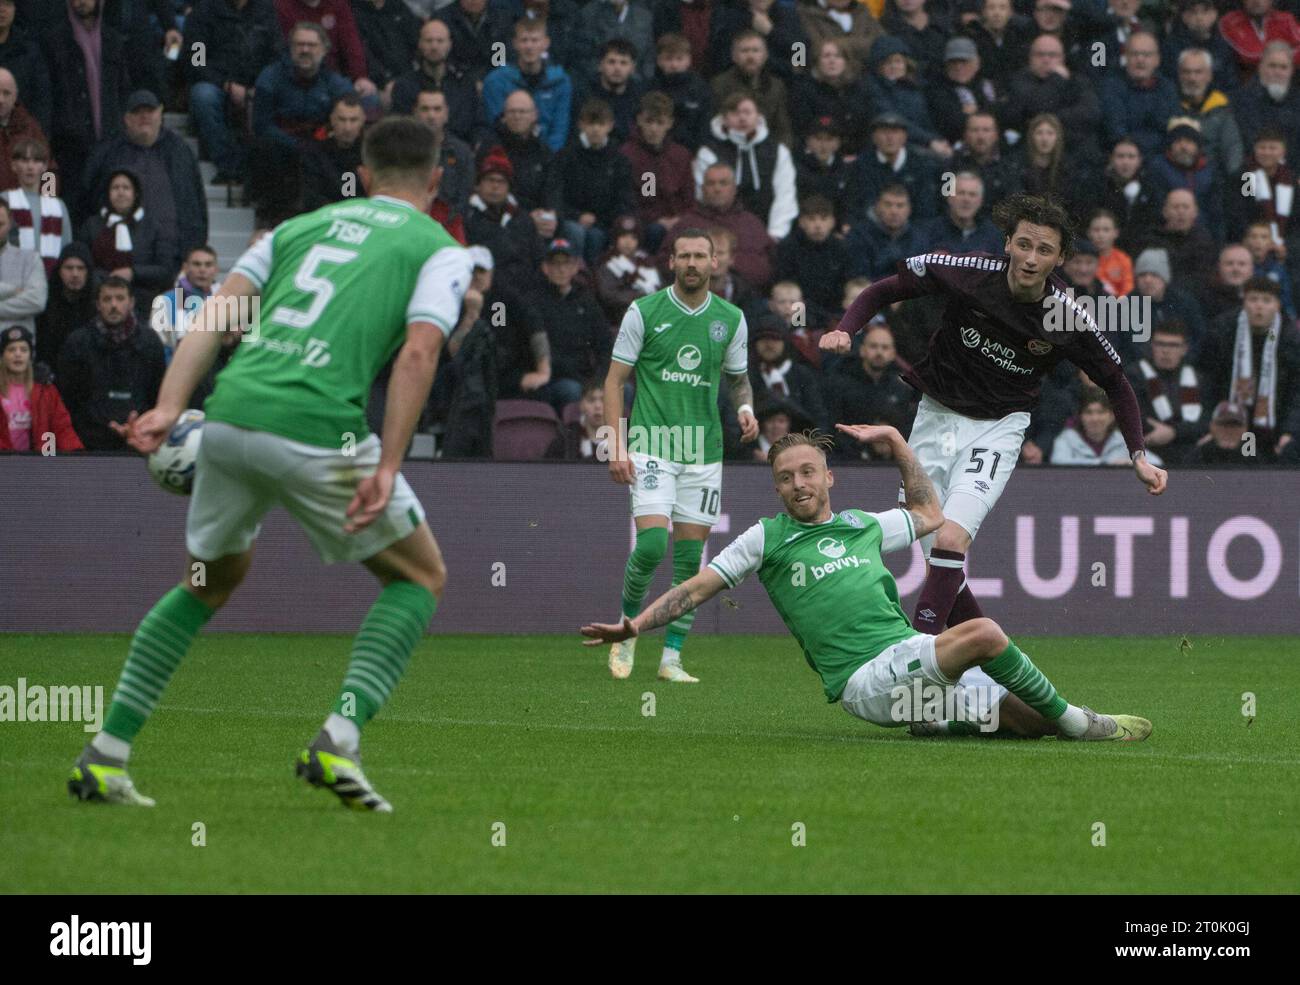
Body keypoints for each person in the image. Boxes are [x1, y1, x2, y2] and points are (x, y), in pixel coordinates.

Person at [67, 116, 472, 811]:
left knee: (207, 582)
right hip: (320, 431)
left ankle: (105, 754)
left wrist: (170, 404)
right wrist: (389, 462)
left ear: (365, 175)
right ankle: (337, 738)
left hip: (228, 416)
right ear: (436, 182)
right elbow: (418, 352)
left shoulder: (297, 228)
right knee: (419, 577)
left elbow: (218, 312)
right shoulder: (441, 248)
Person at [582, 426, 1153, 742]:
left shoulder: (861, 525)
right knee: (983, 633)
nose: (798, 483)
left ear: (827, 477)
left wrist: (900, 447)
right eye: (786, 478)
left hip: (906, 662)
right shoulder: (767, 537)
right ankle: (1085, 725)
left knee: (1030, 721)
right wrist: (634, 625)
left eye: (807, 472)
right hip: (864, 681)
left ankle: (945, 721)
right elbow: (696, 589)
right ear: (777, 490)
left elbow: (930, 515)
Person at [823, 192, 1168, 637]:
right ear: (1007, 242)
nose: (1030, 258)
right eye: (1024, 244)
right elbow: (884, 290)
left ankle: (917, 652)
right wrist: (845, 330)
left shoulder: (1067, 315)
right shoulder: (967, 273)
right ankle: (994, 664)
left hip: (999, 428)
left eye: (1044, 250)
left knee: (950, 541)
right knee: (939, 561)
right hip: (936, 417)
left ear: (1060, 257)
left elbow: (1117, 382)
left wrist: (1138, 454)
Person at [602, 227, 758, 683]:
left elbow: (738, 378)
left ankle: (671, 659)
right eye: (683, 256)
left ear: (715, 262)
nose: (692, 263)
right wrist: (616, 443)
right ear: (671, 262)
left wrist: (746, 407)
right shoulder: (644, 311)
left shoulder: (730, 318)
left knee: (690, 563)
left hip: (704, 451)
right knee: (651, 546)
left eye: (700, 256)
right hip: (653, 444)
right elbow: (614, 381)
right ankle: (627, 633)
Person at [56, 275, 165, 450]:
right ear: (98, 304)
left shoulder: (150, 342)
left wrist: (140, 426)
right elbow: (69, 397)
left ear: (131, 303)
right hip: (89, 441)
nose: (114, 305)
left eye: (120, 298)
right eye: (107, 299)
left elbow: (156, 392)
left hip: (139, 438)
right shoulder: (78, 342)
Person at [77, 168, 176, 318]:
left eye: (126, 188)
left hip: (143, 304)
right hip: (98, 303)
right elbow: (82, 264)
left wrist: (133, 272)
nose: (121, 192)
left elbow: (165, 270)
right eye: (115, 188)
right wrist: (108, 278)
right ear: (108, 193)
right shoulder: (92, 225)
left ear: (135, 193)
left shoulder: (153, 227)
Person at [0, 324, 82, 452]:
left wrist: (77, 455)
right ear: (2, 356)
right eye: (11, 350)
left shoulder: (45, 390)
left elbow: (61, 426)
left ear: (30, 356)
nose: (18, 354)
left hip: (36, 463)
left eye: (23, 350)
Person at [3, 138, 71, 276]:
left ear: (44, 167)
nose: (30, 167)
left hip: (50, 278)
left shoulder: (58, 206)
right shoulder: (4, 200)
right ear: (14, 165)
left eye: (36, 161)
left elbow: (66, 249)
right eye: (25, 160)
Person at [1049, 386, 1132, 465]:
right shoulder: (1066, 439)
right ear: (1080, 417)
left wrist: (1132, 464)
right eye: (1089, 412)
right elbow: (1058, 462)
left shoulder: (1125, 441)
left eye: (1101, 412)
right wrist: (1104, 464)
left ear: (1112, 416)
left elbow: (1144, 460)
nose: (1095, 419)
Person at [0, 195, 44, 335]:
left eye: (0, 224)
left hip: (19, 349)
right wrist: (12, 290)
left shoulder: (30, 259)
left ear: (10, 224)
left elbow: (37, 301)